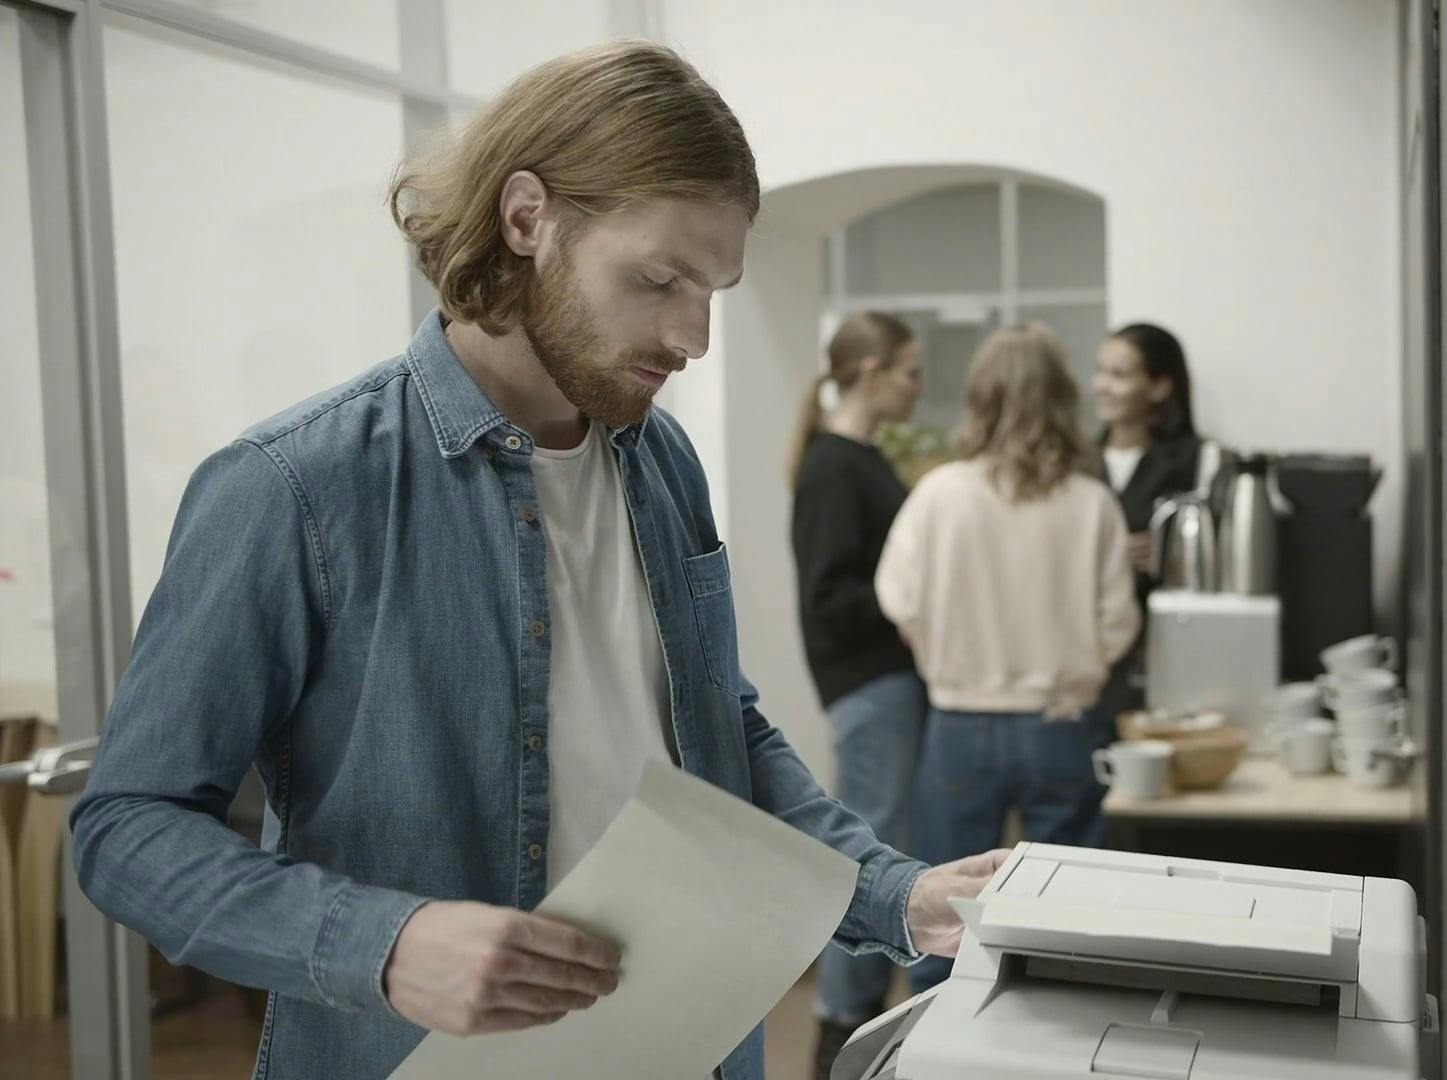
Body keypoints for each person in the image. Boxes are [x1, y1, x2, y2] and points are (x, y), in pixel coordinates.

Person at [67, 42, 1002, 1080]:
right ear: (526, 220)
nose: (692, 334)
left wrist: (894, 896)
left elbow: (714, 735)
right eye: (658, 279)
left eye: (713, 289)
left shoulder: (660, 458)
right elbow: (128, 830)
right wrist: (384, 945)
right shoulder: (291, 488)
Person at [874, 322, 1140, 994]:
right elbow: (1118, 626)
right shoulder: (1092, 504)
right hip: (1062, 721)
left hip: (962, 723)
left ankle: (933, 1054)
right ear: (1062, 400)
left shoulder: (940, 493)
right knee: (1070, 919)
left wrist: (943, 642)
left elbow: (895, 595)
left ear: (980, 399)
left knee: (944, 915)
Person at [786, 312, 928, 1075]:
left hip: (882, 684)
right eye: (909, 370)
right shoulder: (835, 465)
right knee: (866, 859)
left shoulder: (858, 457)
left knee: (883, 849)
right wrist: (911, 604)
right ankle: (840, 1036)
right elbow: (831, 598)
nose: (918, 386)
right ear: (870, 372)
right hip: (868, 685)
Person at [1089, 322, 1202, 719]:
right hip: (1088, 649)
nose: (1101, 385)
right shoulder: (1075, 461)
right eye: (1100, 371)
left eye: (1119, 375)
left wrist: (1172, 552)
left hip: (1166, 646)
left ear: (1159, 387)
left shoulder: (1196, 461)